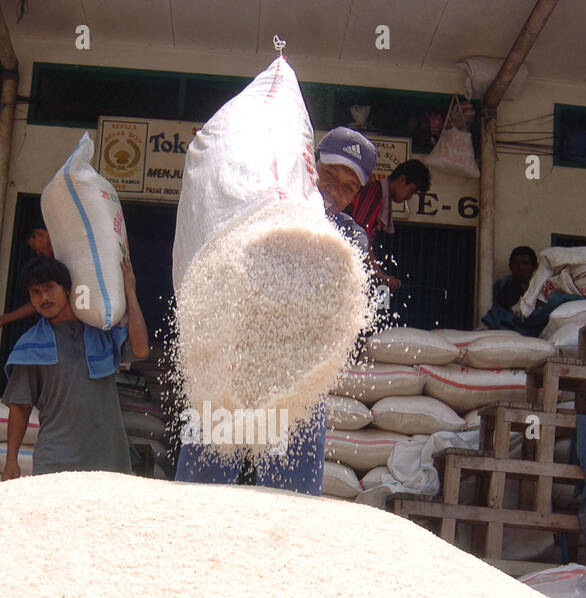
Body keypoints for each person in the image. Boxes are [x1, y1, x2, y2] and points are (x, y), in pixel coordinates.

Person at [174, 126, 377, 497]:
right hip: (232, 367)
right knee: (202, 487)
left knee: (291, 497)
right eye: (330, 174)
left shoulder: (349, 238)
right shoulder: (264, 205)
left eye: (349, 186)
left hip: (295, 380)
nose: (336, 189)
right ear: (310, 167)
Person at [0, 254, 149, 479]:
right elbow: (20, 407)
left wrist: (131, 293)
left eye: (50, 288)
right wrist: (11, 460)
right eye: (35, 292)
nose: (44, 298)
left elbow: (141, 350)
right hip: (56, 459)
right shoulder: (30, 346)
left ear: (67, 289)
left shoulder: (101, 332)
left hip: (109, 457)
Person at [344, 159, 431, 290]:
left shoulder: (381, 197)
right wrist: (379, 274)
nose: (409, 197)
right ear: (402, 180)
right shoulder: (374, 192)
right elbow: (357, 235)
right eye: (412, 190)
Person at [0, 218, 52, 338]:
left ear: (40, 234)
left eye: (35, 248)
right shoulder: (53, 265)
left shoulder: (74, 253)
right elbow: (38, 304)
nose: (38, 253)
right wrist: (3, 319)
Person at [492, 246, 538, 312]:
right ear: (510, 266)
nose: (520, 268)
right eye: (515, 264)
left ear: (535, 266)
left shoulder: (540, 287)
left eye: (525, 263)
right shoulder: (500, 287)